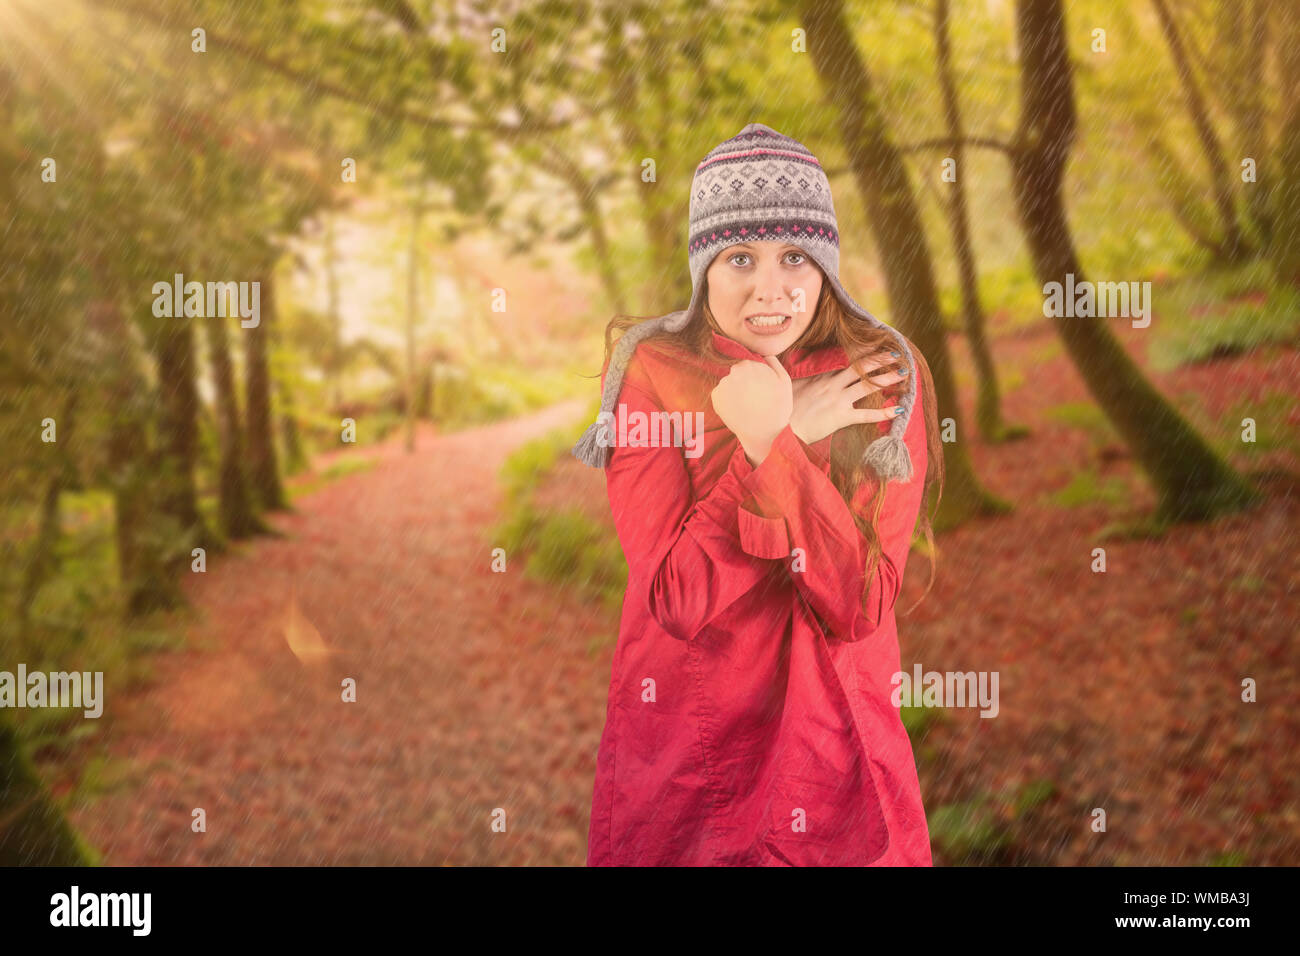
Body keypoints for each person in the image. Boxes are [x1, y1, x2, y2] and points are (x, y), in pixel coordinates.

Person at [573, 122, 944, 866]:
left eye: (795, 257)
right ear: (703, 267)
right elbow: (677, 596)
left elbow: (859, 603)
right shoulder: (651, 374)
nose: (769, 289)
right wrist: (779, 442)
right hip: (694, 767)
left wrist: (772, 443)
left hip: (835, 761)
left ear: (827, 266)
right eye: (739, 257)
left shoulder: (881, 382)